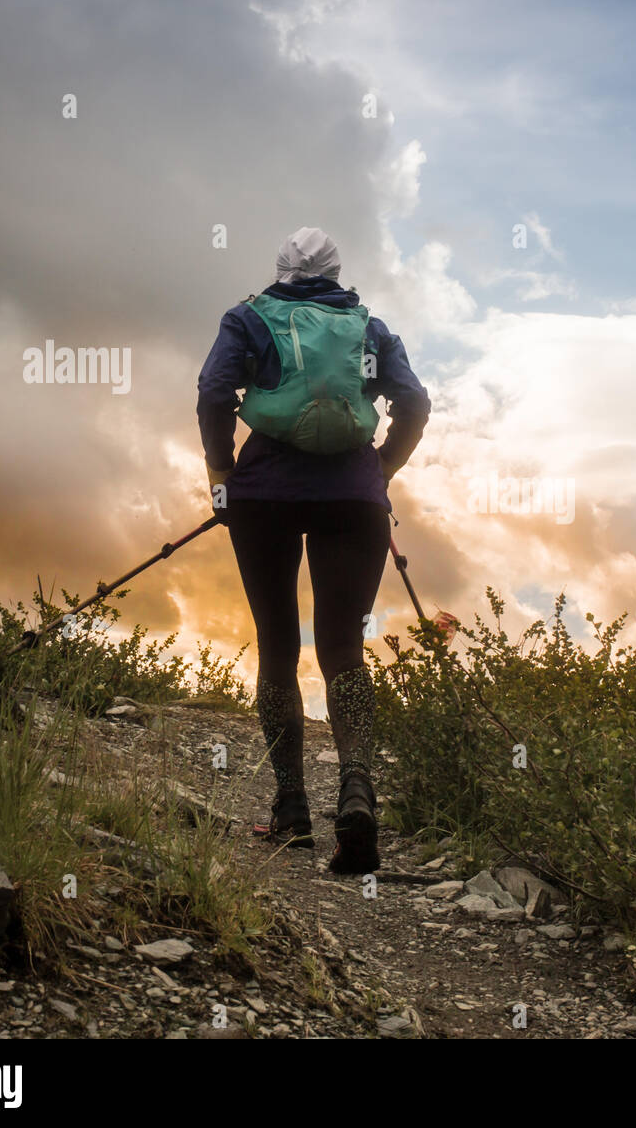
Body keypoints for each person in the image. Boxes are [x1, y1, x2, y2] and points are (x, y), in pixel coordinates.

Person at [196, 226, 431, 873]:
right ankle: (356, 788)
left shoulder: (248, 319)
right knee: (343, 647)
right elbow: (413, 400)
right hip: (354, 499)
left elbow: (215, 392)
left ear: (281, 271)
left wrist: (222, 477)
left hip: (264, 493)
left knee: (277, 643)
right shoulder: (371, 330)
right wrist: (381, 469)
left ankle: (292, 810)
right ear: (335, 273)